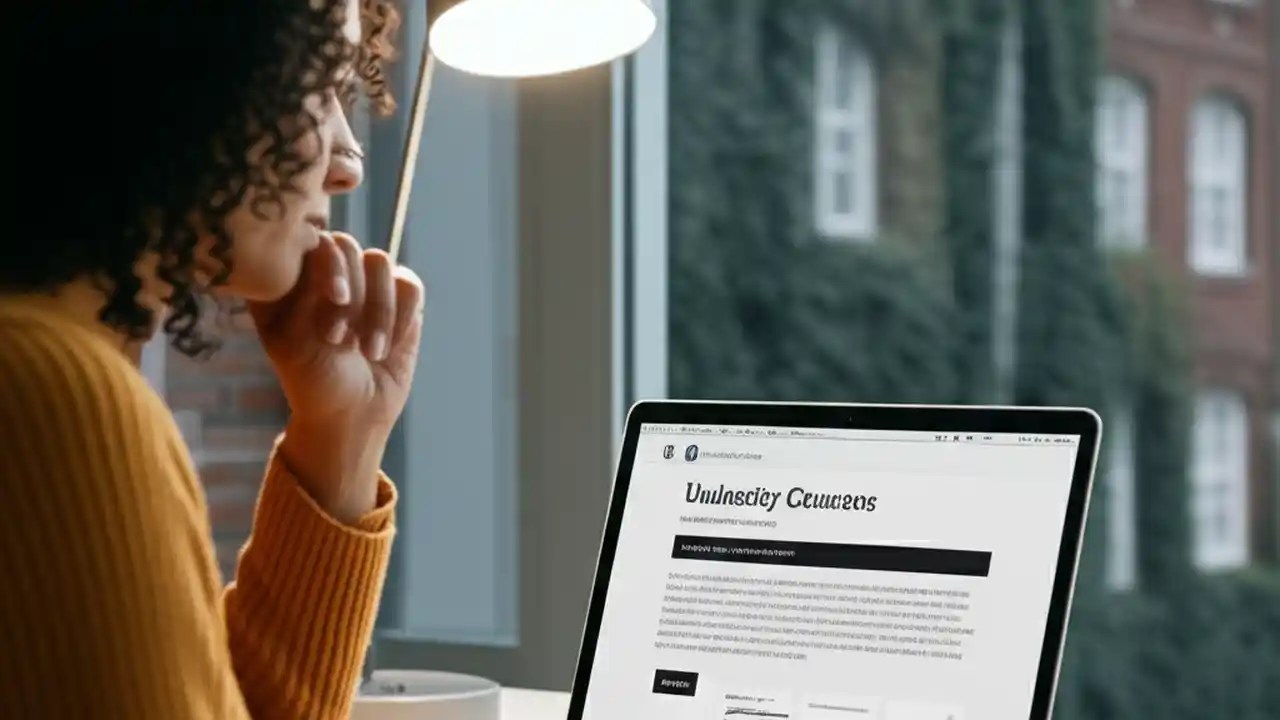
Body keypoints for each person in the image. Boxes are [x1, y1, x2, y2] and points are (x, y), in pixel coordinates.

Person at [0, 2, 420, 717]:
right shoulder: (51, 395)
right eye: (317, 85)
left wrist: (342, 434)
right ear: (190, 64)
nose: (347, 162)